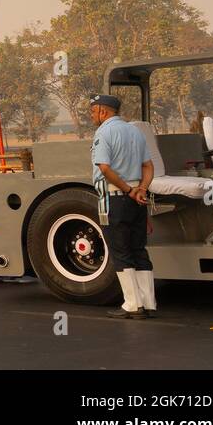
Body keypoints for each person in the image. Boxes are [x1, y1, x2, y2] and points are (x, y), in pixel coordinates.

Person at [90, 93, 156, 319]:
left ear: (103, 111)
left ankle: (131, 304)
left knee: (121, 250)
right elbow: (148, 165)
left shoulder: (104, 132)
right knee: (139, 249)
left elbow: (105, 168)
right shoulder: (135, 131)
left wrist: (128, 191)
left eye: (93, 111)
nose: (92, 116)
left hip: (115, 198)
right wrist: (142, 189)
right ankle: (148, 303)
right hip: (138, 198)